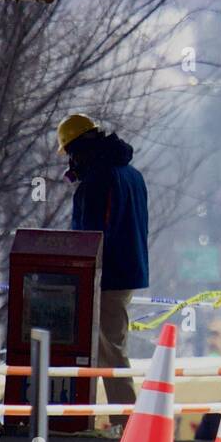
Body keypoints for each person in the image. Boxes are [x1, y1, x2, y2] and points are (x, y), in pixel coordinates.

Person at [57, 113, 148, 422]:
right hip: (125, 274)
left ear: (78, 149)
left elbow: (90, 238)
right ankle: (104, 417)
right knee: (108, 346)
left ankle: (127, 423)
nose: (70, 164)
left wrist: (77, 274)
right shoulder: (131, 174)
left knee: (109, 350)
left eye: (70, 154)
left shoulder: (98, 180)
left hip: (103, 277)